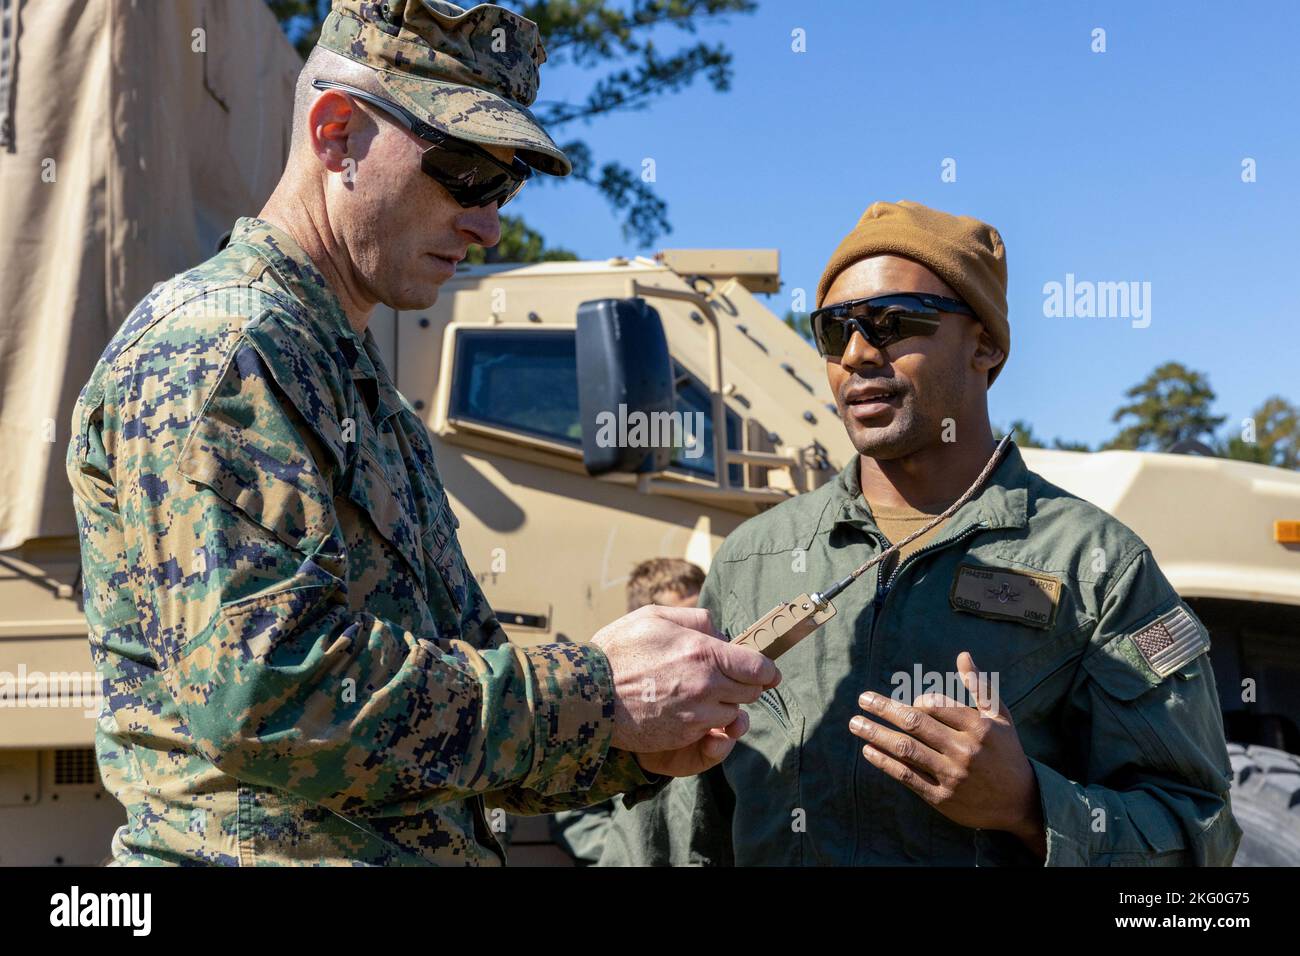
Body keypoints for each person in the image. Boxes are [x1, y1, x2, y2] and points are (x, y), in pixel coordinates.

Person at [64, 0, 776, 867]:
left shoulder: (351, 380)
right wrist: (594, 694)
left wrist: (624, 741)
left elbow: (451, 702)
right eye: (464, 172)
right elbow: (267, 698)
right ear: (335, 132)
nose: (490, 224)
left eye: (505, 185)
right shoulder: (225, 349)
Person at [598, 200, 1241, 866]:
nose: (856, 354)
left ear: (985, 343)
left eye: (894, 322)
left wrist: (1026, 806)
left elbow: (1200, 831)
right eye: (833, 330)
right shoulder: (755, 558)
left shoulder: (1098, 567)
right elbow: (680, 827)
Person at [551, 559, 706, 864]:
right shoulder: (610, 698)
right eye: (682, 622)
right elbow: (577, 822)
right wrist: (634, 854)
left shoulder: (721, 698)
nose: (700, 635)